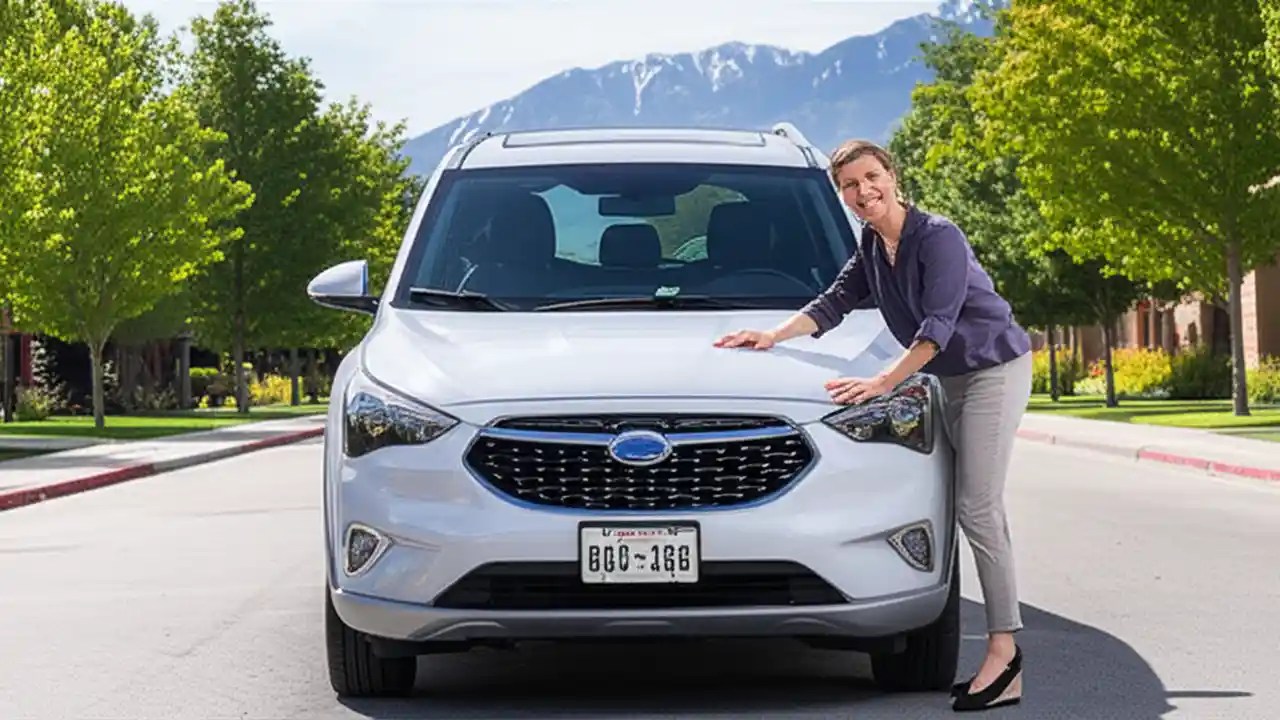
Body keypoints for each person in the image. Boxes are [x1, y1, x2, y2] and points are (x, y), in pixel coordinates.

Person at [714, 139, 1032, 712]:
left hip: (992, 371)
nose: (864, 192)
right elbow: (834, 303)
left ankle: (1005, 655)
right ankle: (999, 654)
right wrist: (771, 335)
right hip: (944, 378)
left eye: (871, 177)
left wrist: (883, 382)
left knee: (978, 509)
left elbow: (937, 326)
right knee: (958, 504)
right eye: (851, 187)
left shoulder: (939, 238)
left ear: (892, 175)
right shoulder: (873, 245)